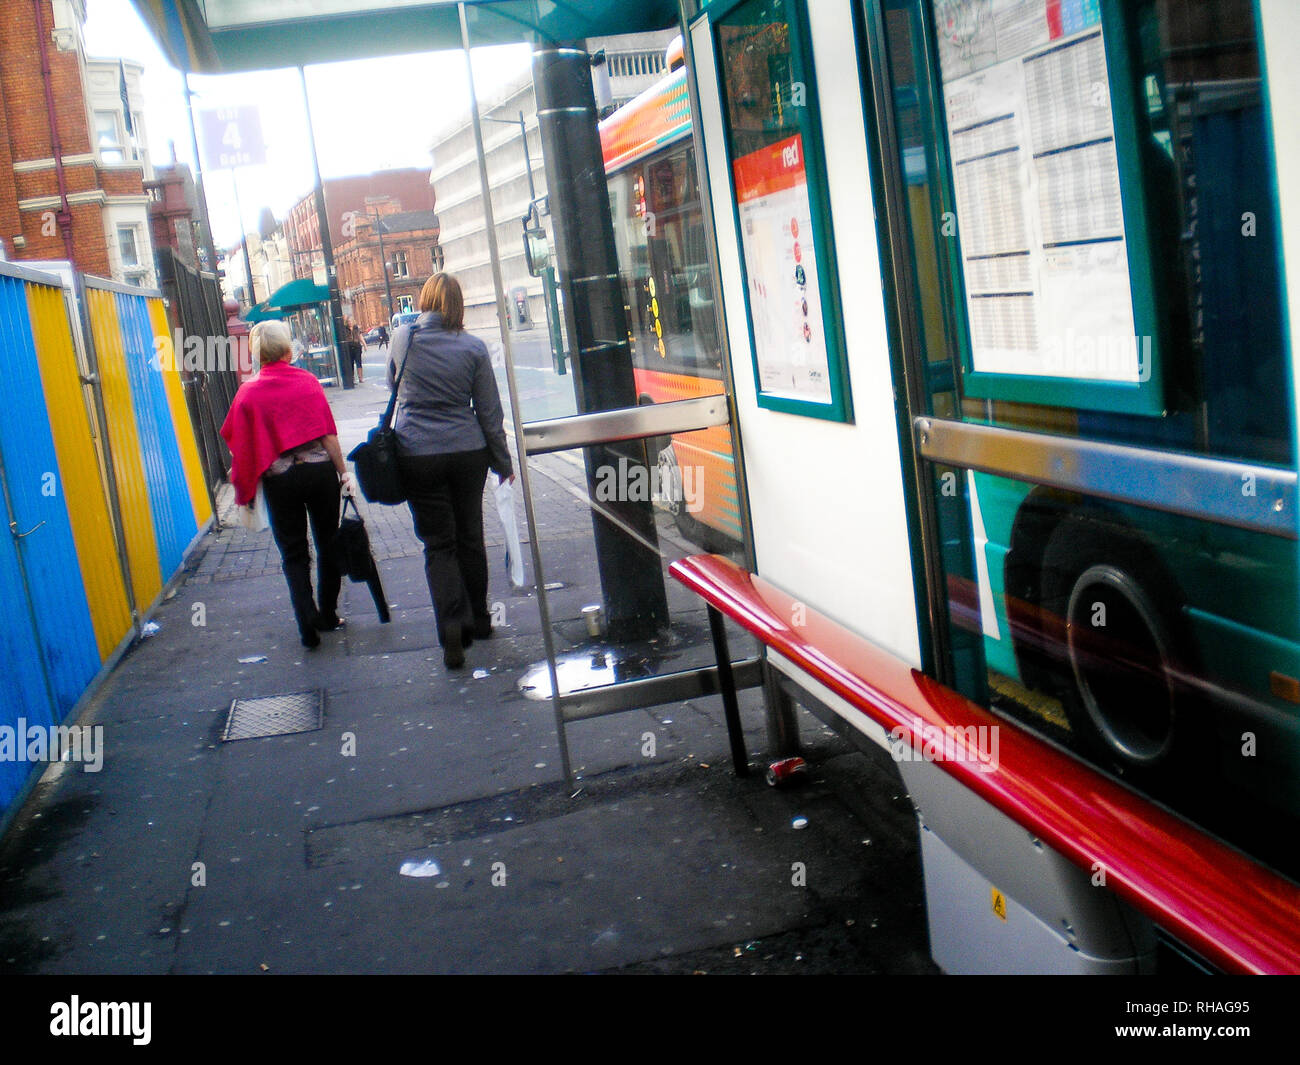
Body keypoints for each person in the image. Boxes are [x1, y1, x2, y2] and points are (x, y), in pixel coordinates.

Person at [389, 272, 514, 669]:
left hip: (417, 452)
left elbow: (392, 385)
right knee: (470, 538)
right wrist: (502, 461)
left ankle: (451, 629)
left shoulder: (402, 339)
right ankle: (479, 620)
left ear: (424, 300)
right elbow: (489, 412)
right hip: (466, 451)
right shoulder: (474, 348)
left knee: (438, 544)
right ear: (458, 305)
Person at [220, 320, 358, 649]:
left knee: (293, 553)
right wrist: (343, 473)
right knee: (327, 544)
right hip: (319, 473)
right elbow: (327, 433)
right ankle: (327, 613)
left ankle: (306, 623)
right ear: (287, 349)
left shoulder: (248, 393)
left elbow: (240, 443)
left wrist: (244, 479)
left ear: (257, 353)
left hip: (280, 478)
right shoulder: (308, 382)